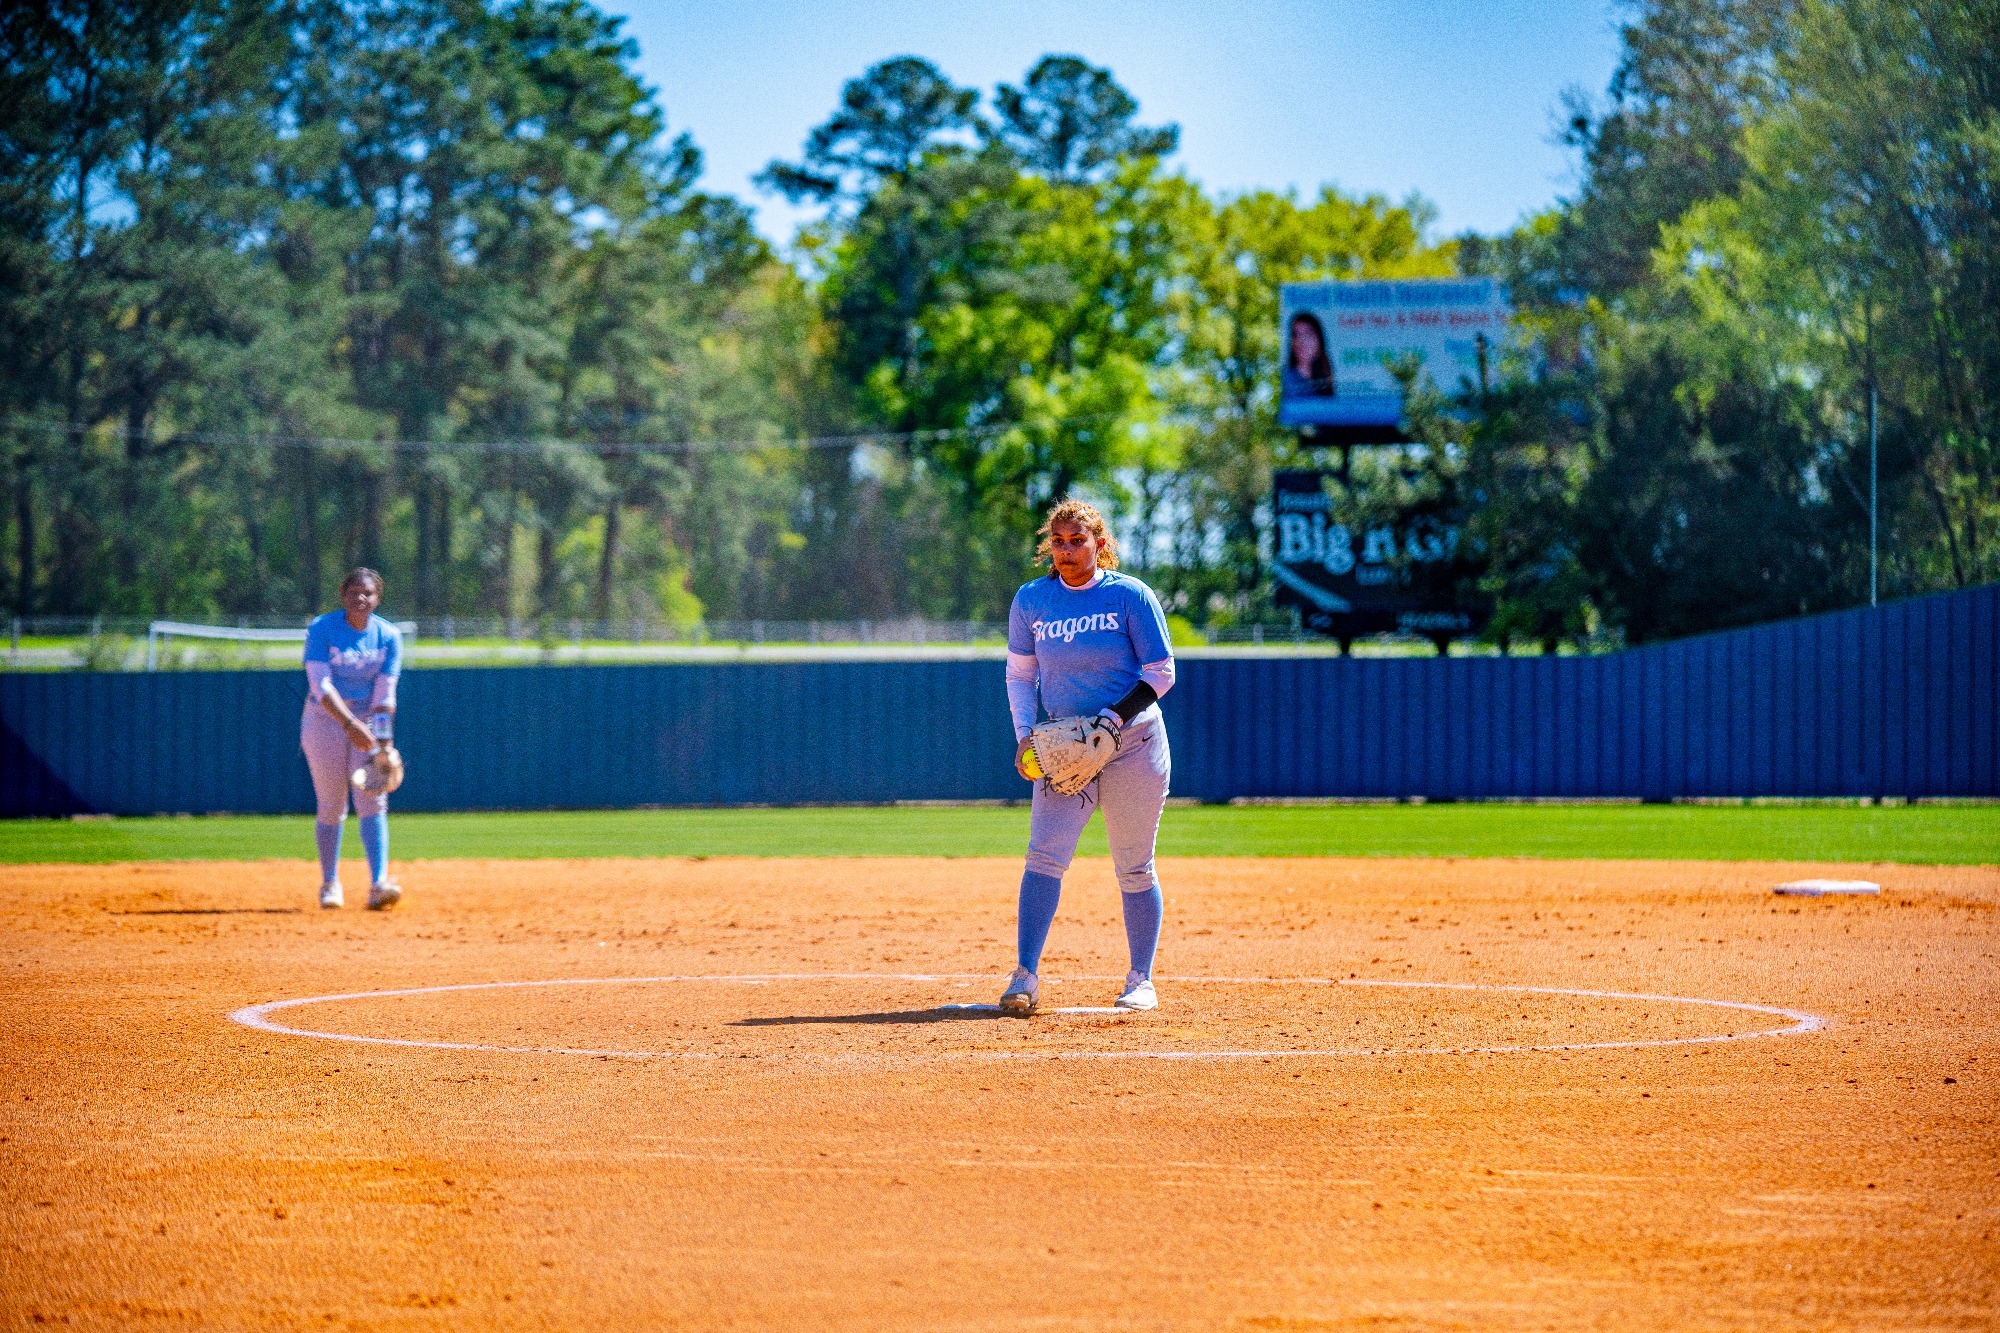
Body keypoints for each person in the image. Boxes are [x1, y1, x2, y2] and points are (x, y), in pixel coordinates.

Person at [1000, 499, 1176, 1015]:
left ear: (1100, 543)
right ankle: (1025, 975)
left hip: (1132, 747)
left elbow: (1161, 673)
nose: (1068, 550)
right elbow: (1019, 675)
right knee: (1043, 858)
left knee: (1134, 867)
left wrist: (1113, 720)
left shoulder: (1129, 596)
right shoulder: (1032, 600)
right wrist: (1026, 735)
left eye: (1078, 540)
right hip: (1063, 751)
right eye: (1058, 542)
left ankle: (1140, 978)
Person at [301, 568, 404, 910]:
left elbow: (385, 694)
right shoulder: (322, 628)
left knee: (373, 800)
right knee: (332, 803)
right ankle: (330, 883)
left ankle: (379, 883)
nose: (361, 598)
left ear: (378, 598)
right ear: (343, 595)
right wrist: (349, 723)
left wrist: (384, 745)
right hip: (325, 721)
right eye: (355, 591)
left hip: (368, 724)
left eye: (369, 593)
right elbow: (321, 685)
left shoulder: (388, 636)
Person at [1282, 310, 1336, 398]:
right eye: (1296, 335)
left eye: (1308, 334)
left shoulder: (1326, 379)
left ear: (1320, 340)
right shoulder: (1286, 378)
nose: (1300, 341)